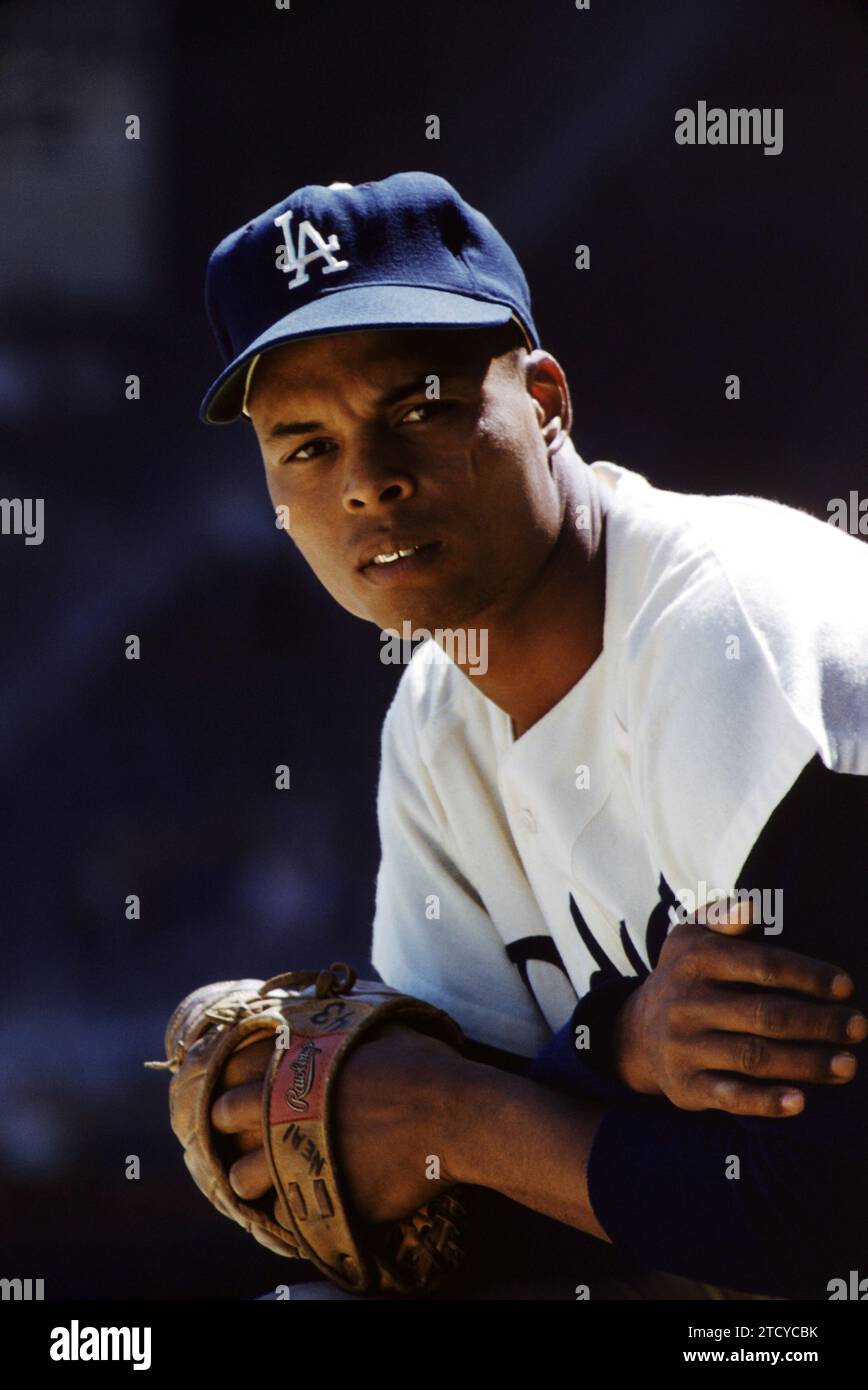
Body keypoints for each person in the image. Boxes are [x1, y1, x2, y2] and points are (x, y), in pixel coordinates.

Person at [200, 172, 867, 1300]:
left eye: (417, 405)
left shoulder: (736, 630)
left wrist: (458, 1112)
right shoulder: (433, 714)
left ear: (546, 399)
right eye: (305, 446)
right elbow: (469, 1203)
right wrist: (614, 1046)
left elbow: (810, 1214)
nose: (368, 482)